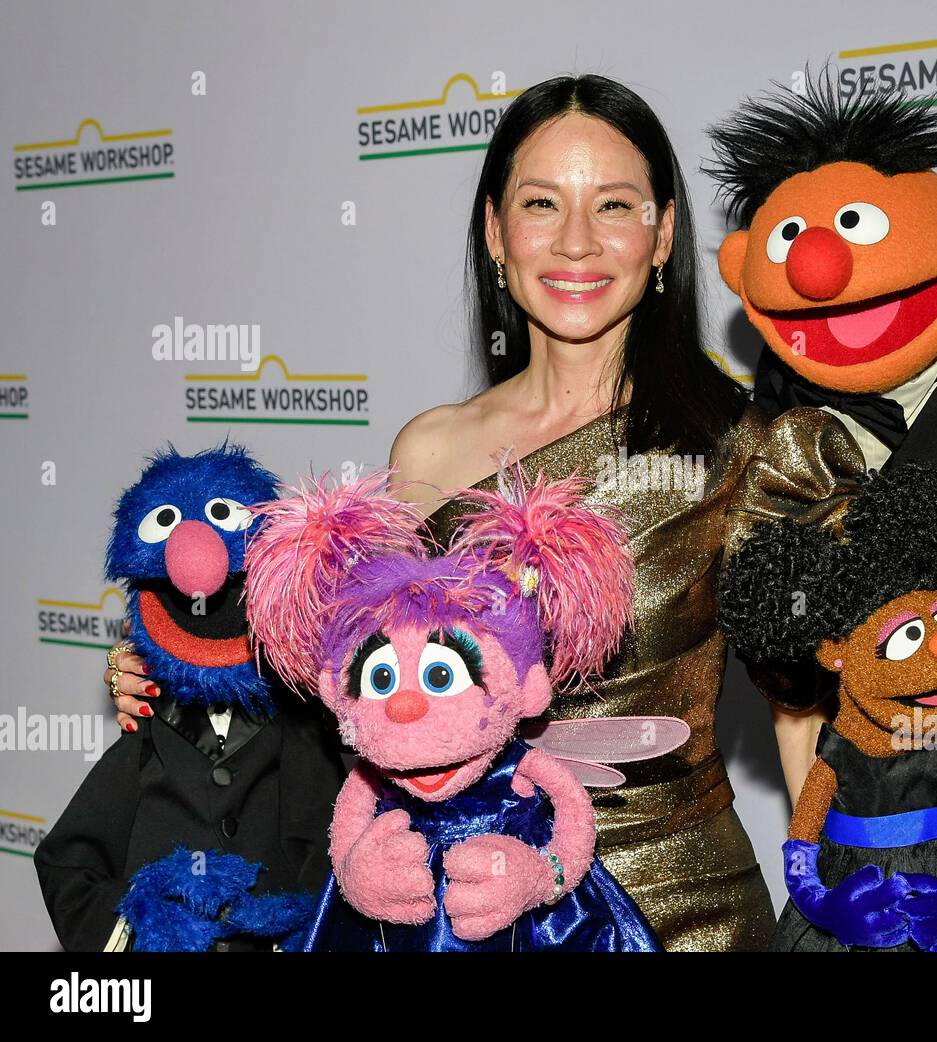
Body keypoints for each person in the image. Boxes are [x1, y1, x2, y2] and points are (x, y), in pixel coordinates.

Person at [107, 73, 868, 951]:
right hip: (459, 910)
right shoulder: (429, 452)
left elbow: (807, 718)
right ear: (496, 232)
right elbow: (362, 697)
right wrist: (190, 674)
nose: (577, 241)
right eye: (542, 204)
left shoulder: (747, 451)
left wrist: (839, 917)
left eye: (614, 205)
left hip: (680, 911)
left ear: (662, 234)